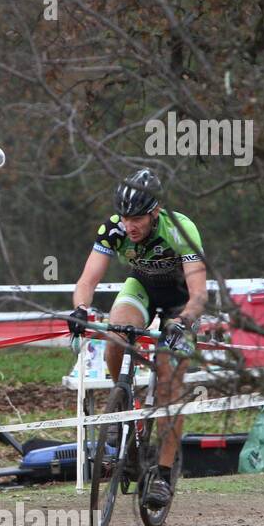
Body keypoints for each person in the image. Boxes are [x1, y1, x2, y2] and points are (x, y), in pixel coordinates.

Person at [67, 169, 207, 508]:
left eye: (138, 219)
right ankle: (123, 402)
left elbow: (199, 294)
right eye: (126, 217)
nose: (130, 226)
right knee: (116, 334)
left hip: (180, 301)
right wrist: (81, 310)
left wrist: (185, 321)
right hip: (142, 288)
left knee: (169, 382)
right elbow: (87, 281)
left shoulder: (180, 229)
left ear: (155, 211)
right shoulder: (114, 228)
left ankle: (162, 472)